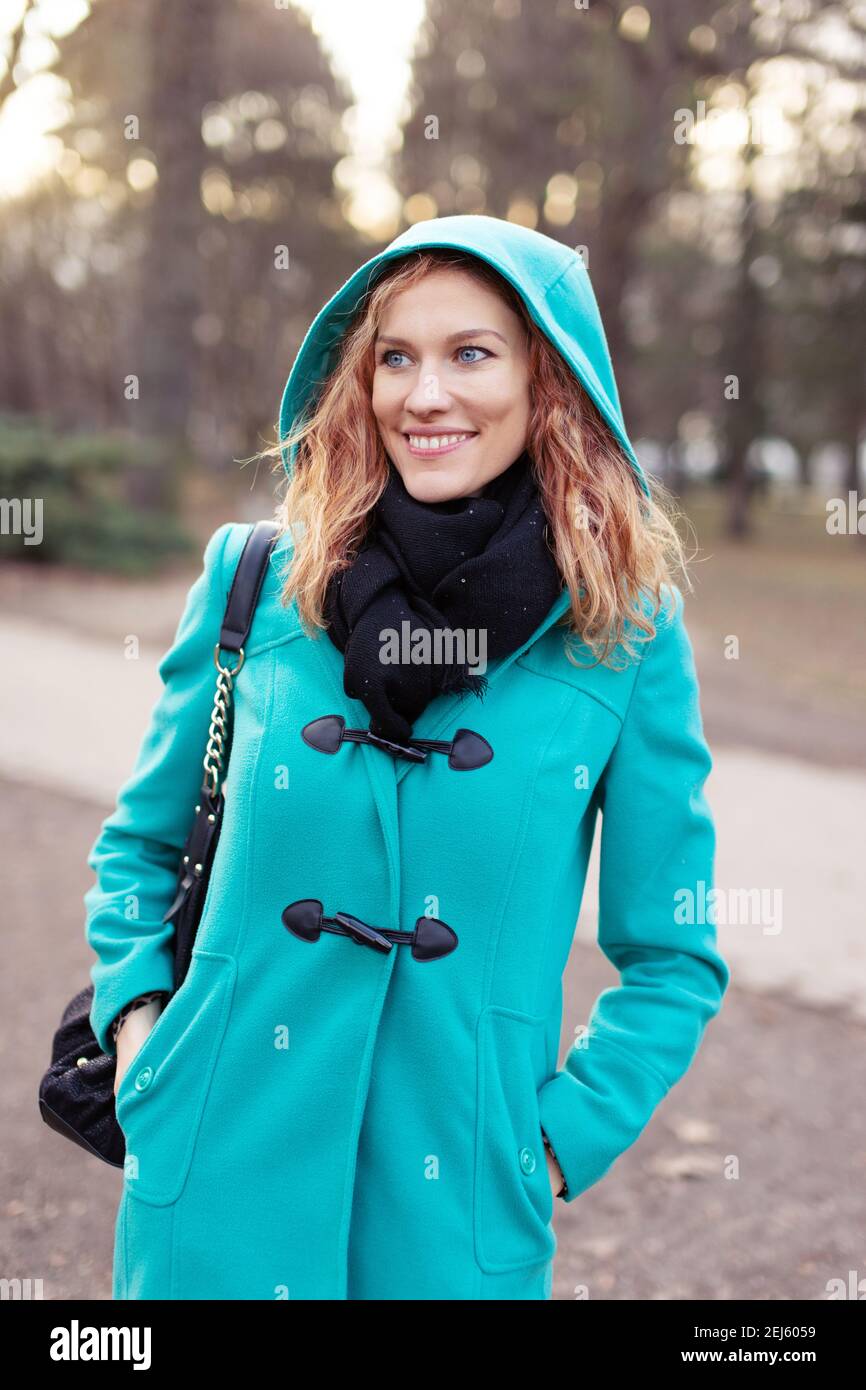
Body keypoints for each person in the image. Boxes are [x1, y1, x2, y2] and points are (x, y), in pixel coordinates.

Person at [86, 214, 729, 1301]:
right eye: (396, 357)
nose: (423, 395)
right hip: (209, 1191)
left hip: (455, 1226)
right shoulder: (257, 581)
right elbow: (141, 847)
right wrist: (145, 1039)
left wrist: (554, 1143)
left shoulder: (624, 630)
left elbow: (672, 956)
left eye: (470, 354)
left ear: (548, 382)